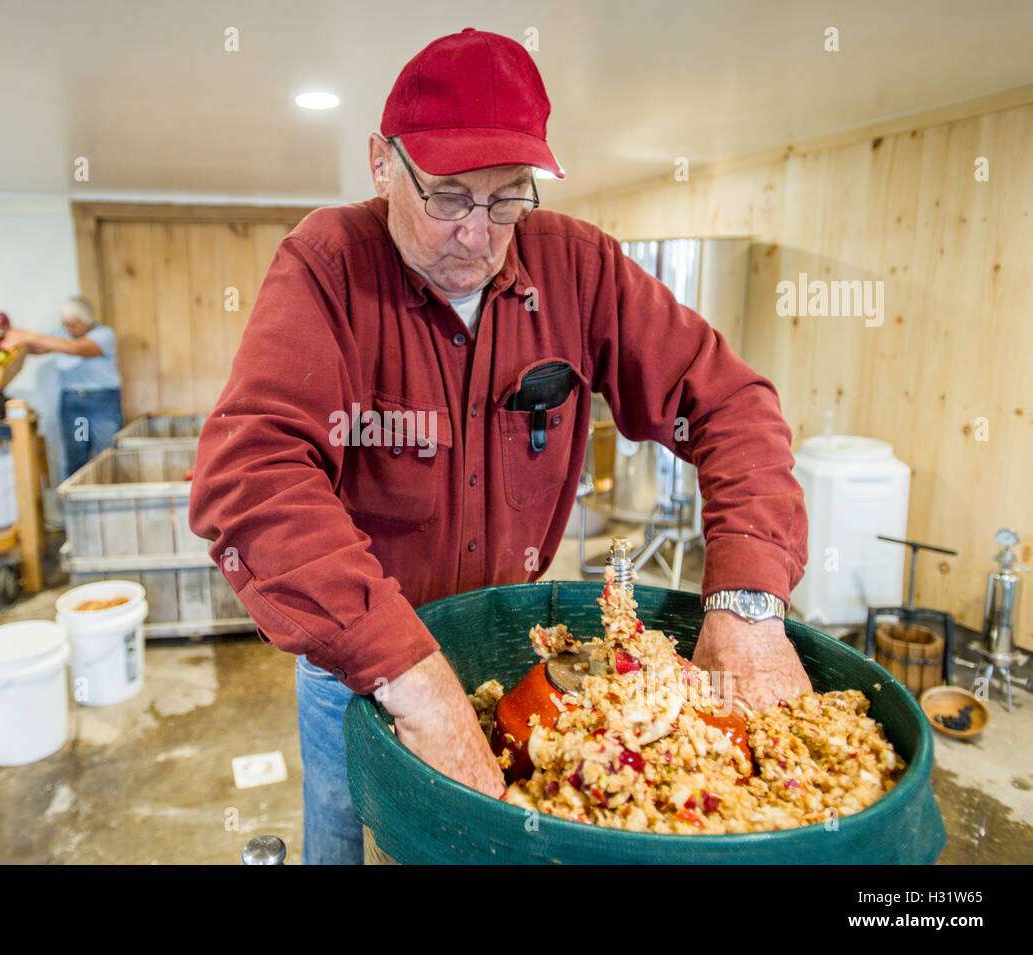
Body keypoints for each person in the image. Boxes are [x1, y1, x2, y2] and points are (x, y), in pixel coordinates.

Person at [188, 28, 811, 865]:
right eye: (447, 197)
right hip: (360, 660)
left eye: (508, 198)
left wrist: (747, 603)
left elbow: (729, 402)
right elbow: (251, 476)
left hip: (510, 647)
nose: (478, 237)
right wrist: (412, 678)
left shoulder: (580, 268)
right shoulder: (327, 266)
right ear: (382, 163)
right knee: (343, 830)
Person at [1, 296, 124, 478]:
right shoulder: (61, 335)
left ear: (89, 319)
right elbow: (33, 348)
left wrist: (30, 336)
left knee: (106, 453)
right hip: (75, 406)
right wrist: (8, 332)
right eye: (65, 324)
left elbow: (76, 349)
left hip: (102, 404)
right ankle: (77, 505)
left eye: (74, 325)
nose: (68, 329)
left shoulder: (104, 335)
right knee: (78, 453)